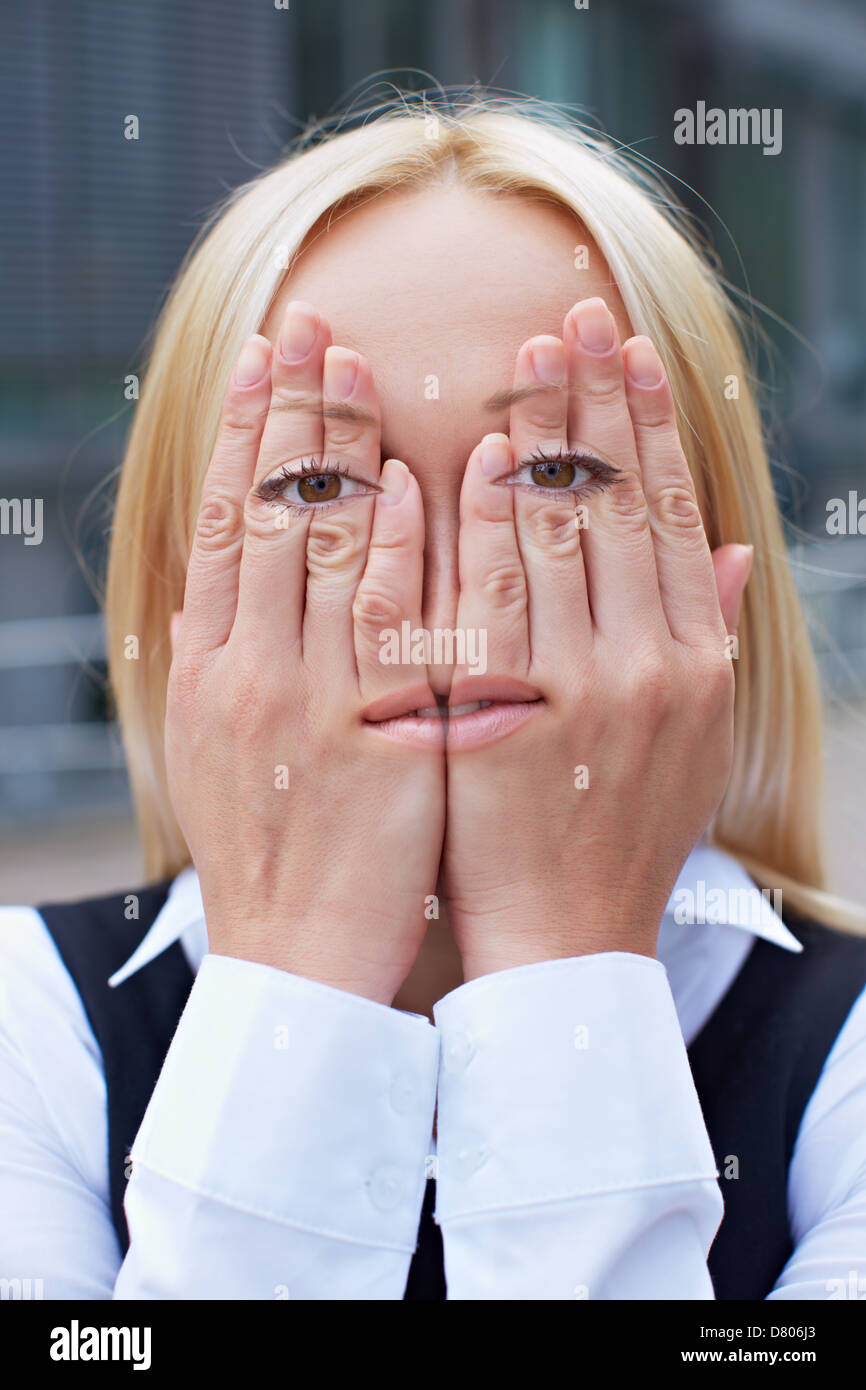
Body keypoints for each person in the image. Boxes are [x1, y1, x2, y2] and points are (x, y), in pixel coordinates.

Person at [2, 94, 865, 1301]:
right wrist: (299, 975)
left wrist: (561, 966)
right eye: (319, 485)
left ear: (707, 559)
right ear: (179, 593)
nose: (452, 594)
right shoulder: (25, 1033)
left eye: (554, 472)